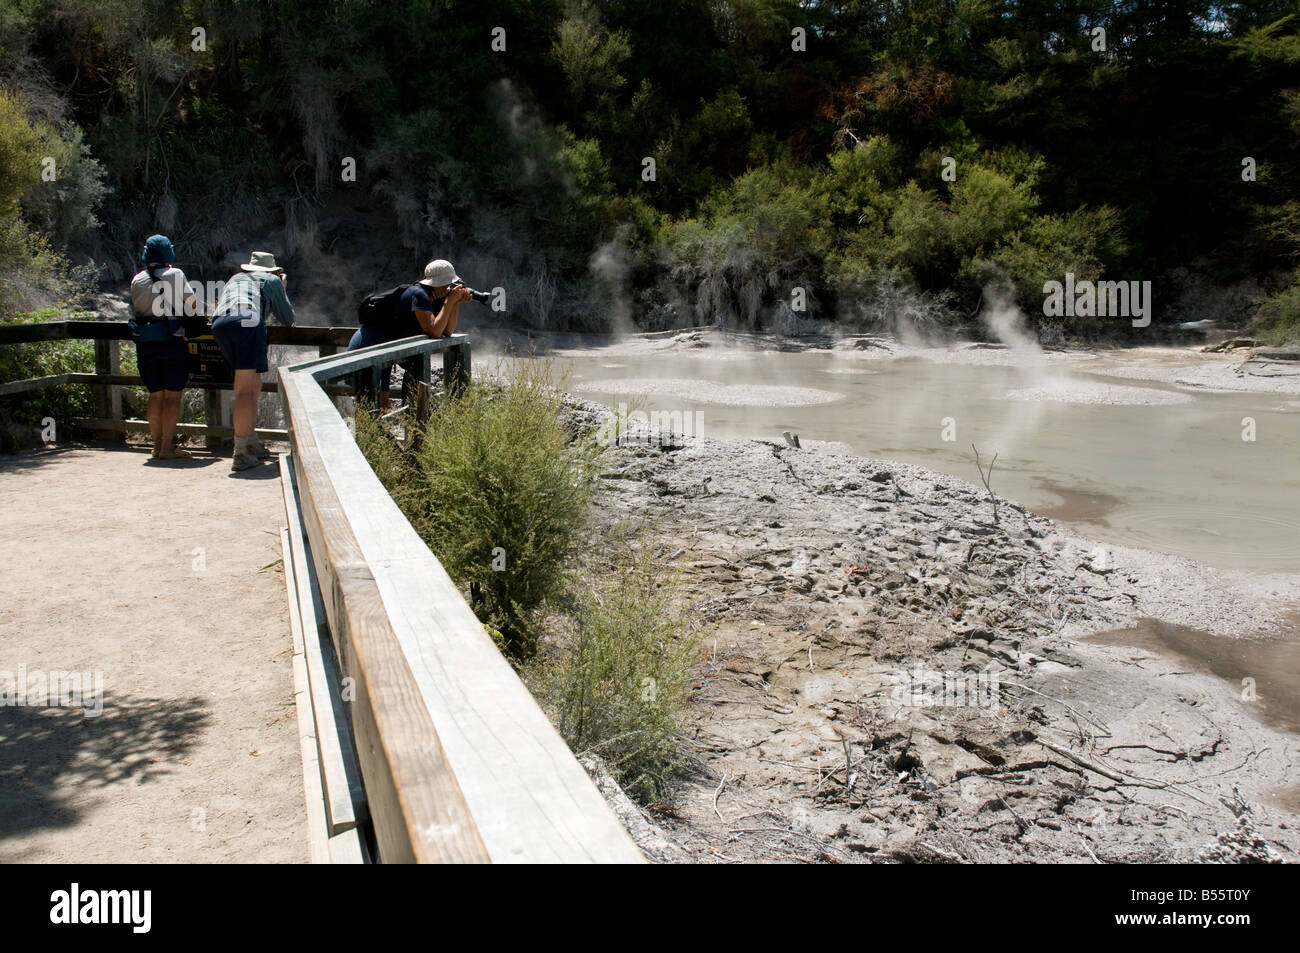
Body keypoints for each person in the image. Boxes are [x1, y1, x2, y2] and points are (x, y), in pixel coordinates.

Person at [347, 258, 473, 411]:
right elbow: (434, 331)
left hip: (385, 348)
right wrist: (449, 302)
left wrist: (455, 302)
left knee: (381, 405)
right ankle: (372, 433)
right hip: (370, 344)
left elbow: (447, 330)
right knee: (374, 405)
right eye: (450, 284)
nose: (452, 287)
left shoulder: (435, 298)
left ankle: (381, 432)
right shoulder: (418, 294)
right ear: (440, 283)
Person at [210, 251, 295, 471]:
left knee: (252, 384)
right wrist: (281, 289)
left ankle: (250, 441)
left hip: (220, 324)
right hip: (247, 322)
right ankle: (240, 453)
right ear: (273, 271)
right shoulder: (272, 280)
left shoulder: (236, 278)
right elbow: (287, 318)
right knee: (245, 392)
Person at [129, 234, 199, 460]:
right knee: (172, 396)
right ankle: (168, 447)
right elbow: (193, 303)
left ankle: (157, 445)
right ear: (169, 252)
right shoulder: (175, 274)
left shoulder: (137, 279)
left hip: (146, 343)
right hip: (171, 341)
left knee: (155, 395)